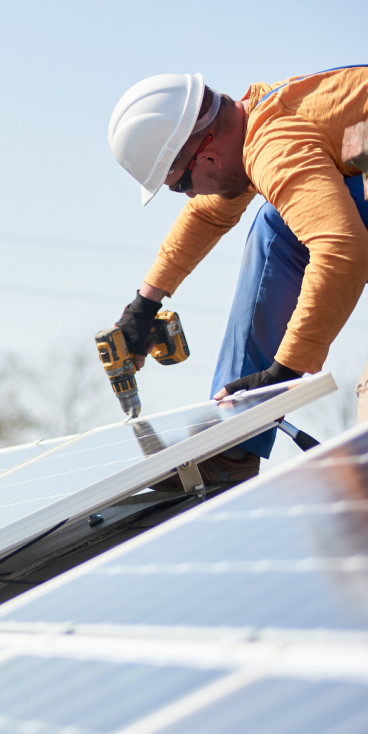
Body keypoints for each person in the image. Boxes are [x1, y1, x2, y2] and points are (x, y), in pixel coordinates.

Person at [108, 67, 368, 482]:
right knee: (276, 225)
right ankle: (235, 443)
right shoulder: (266, 116)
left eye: (180, 185)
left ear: (208, 156)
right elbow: (208, 216)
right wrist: (145, 303)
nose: (191, 196)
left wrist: (283, 373)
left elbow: (340, 249)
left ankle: (236, 442)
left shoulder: (274, 147)